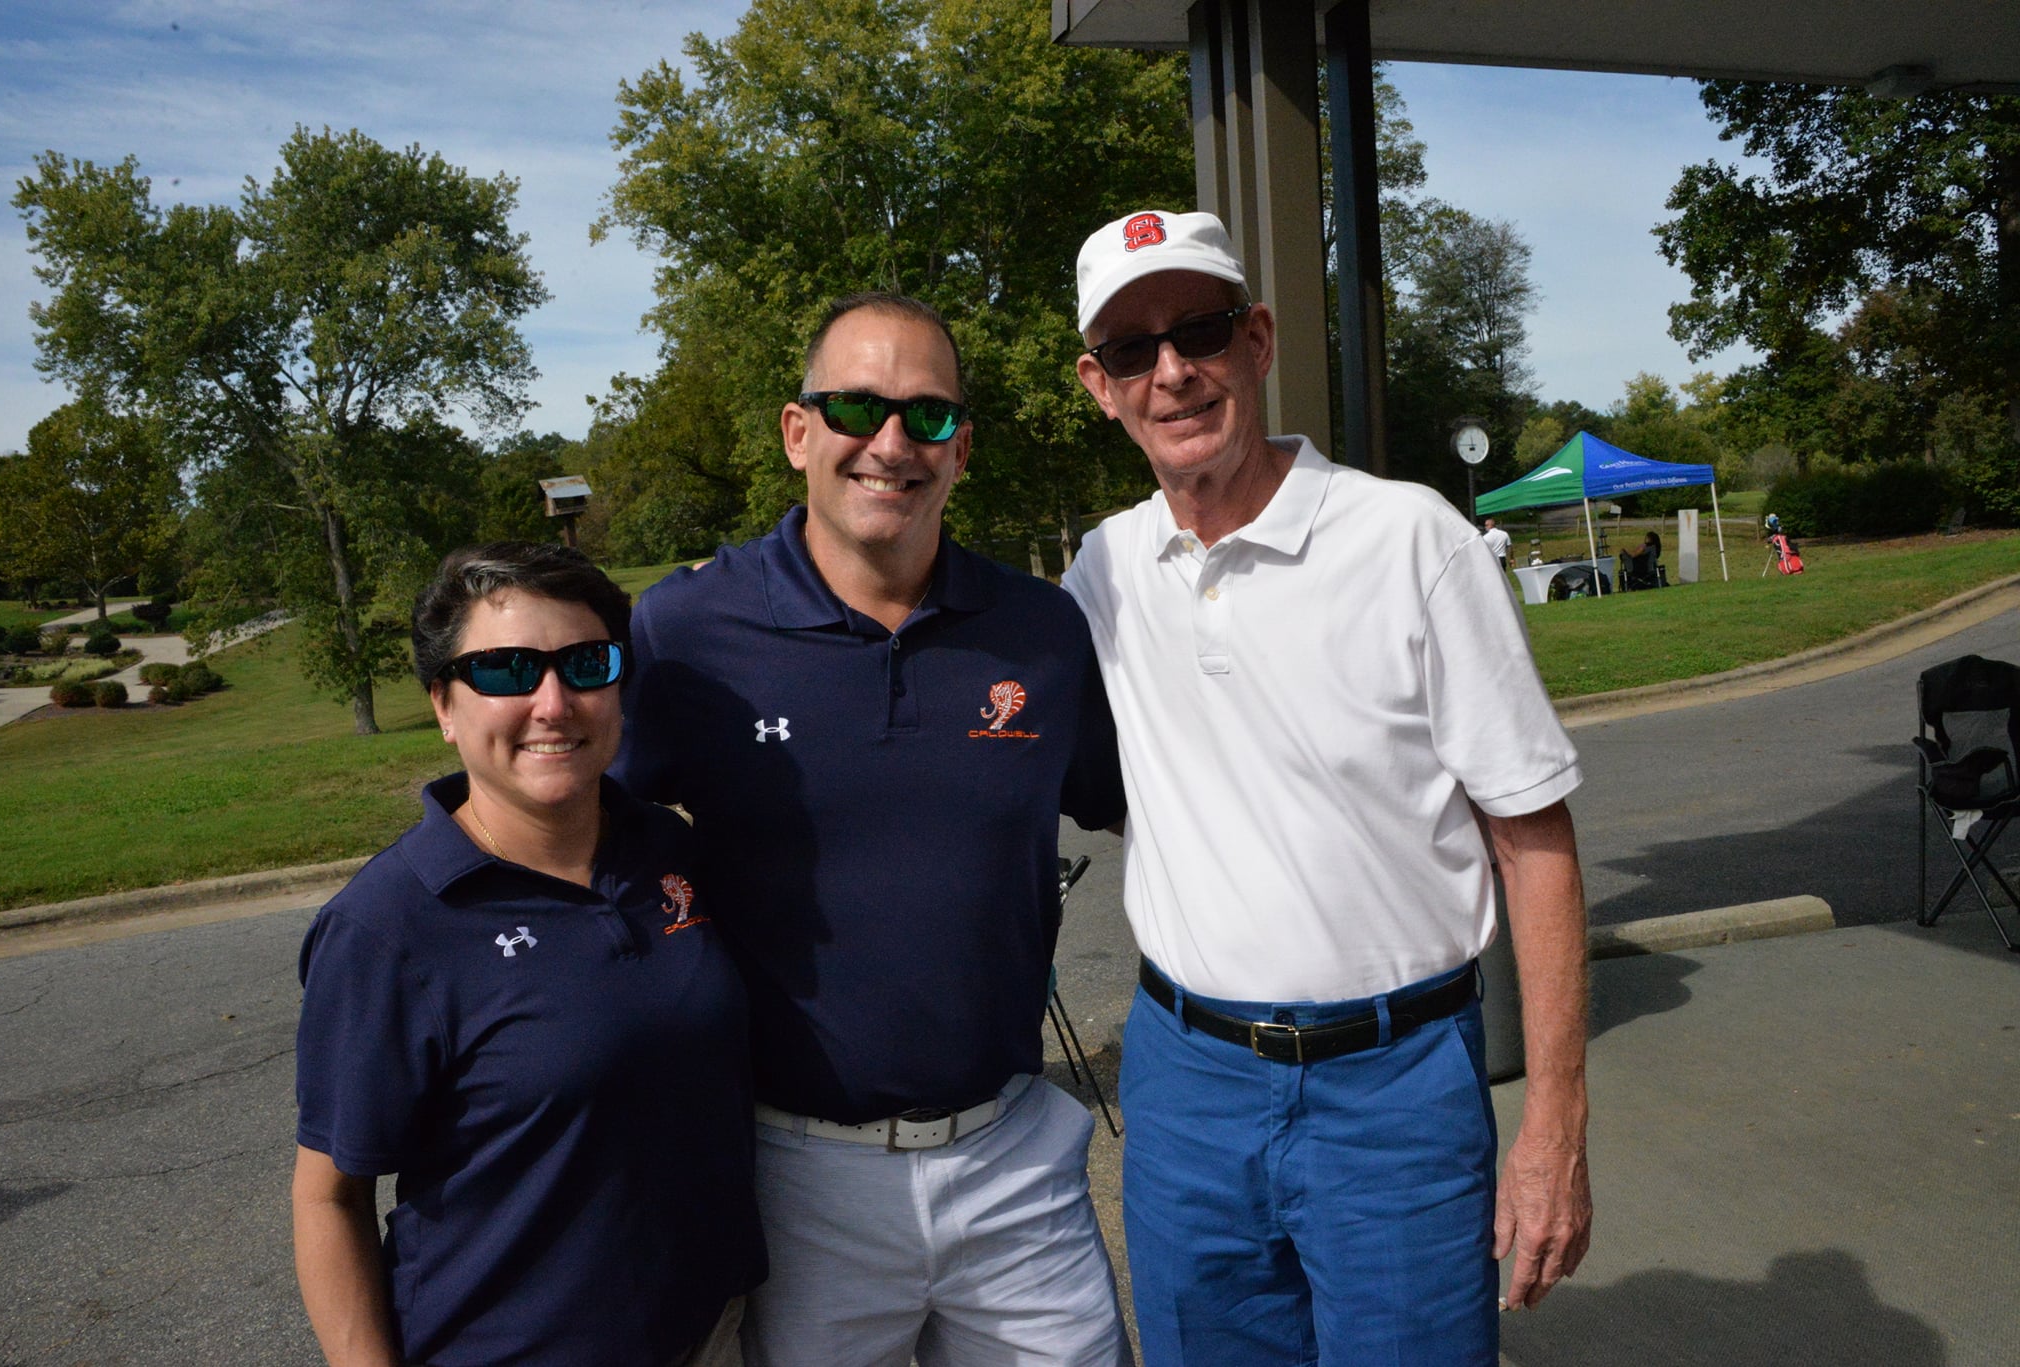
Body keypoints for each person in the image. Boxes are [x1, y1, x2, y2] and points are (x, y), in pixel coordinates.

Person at [1064, 209, 1593, 1366]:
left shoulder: (1410, 540)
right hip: (1184, 1082)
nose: (1171, 370)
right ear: (1097, 386)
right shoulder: (1100, 569)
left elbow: (1533, 839)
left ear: (1254, 339)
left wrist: (1553, 1121)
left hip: (1393, 1089)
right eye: (1131, 348)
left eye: (1197, 328)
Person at [613, 292, 1131, 1366]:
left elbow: (1154, 803)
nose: (890, 442)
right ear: (798, 431)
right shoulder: (686, 626)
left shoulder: (1039, 630)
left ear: (962, 447)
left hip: (1011, 1151)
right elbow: (586, 846)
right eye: (855, 406)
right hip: (795, 1169)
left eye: (927, 416)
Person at [292, 542, 764, 1367]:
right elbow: (329, 1197)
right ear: (444, 704)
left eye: (585, 664)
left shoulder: (665, 849)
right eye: (508, 671)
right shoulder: (389, 928)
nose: (554, 701)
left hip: (711, 1333)